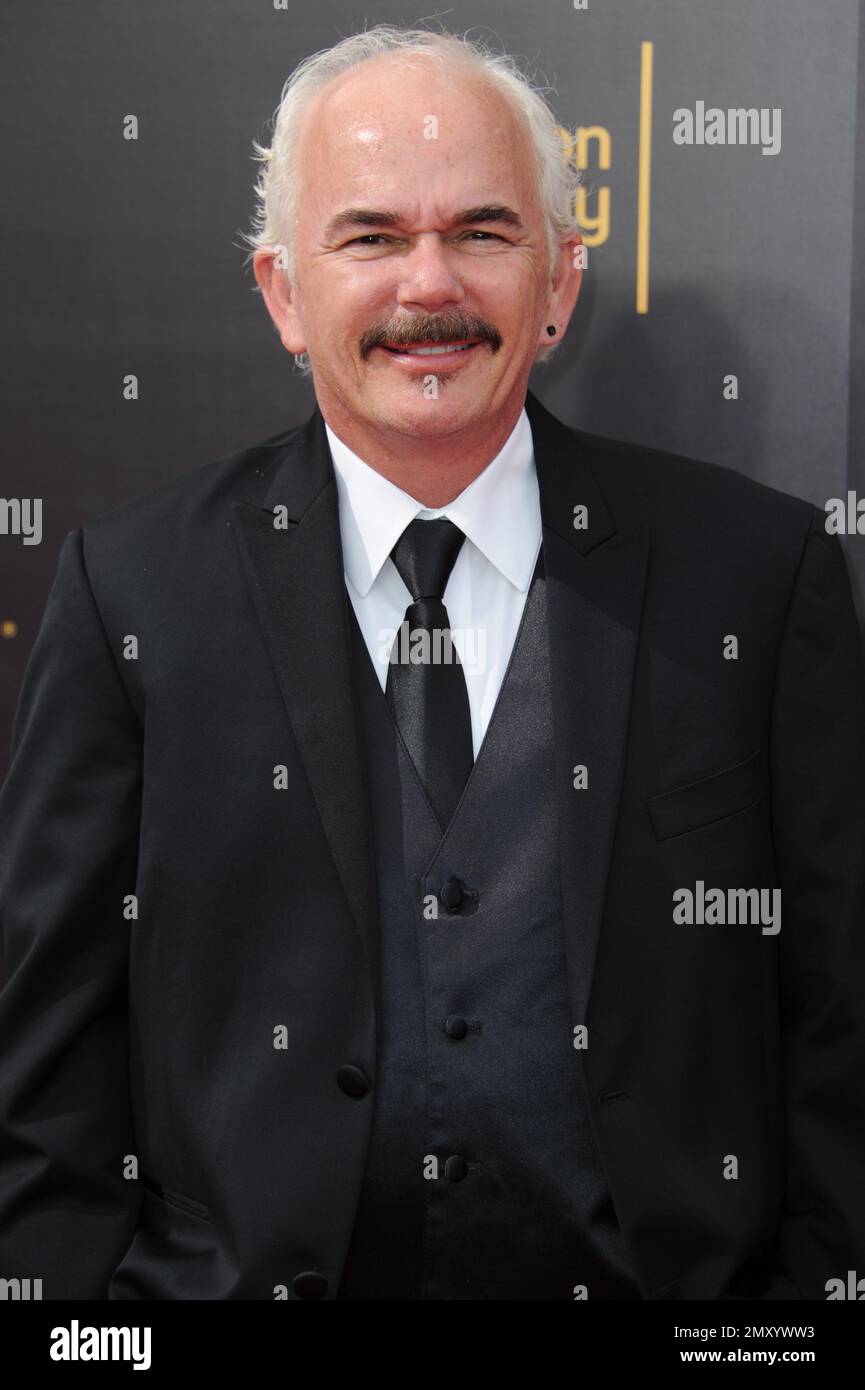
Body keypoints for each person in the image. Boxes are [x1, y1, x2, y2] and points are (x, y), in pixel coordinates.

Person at [1, 23, 864, 1302]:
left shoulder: (755, 575)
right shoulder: (132, 591)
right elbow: (48, 1063)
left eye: (482, 231)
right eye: (369, 237)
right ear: (283, 294)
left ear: (559, 282)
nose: (429, 285)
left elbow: (839, 1023)